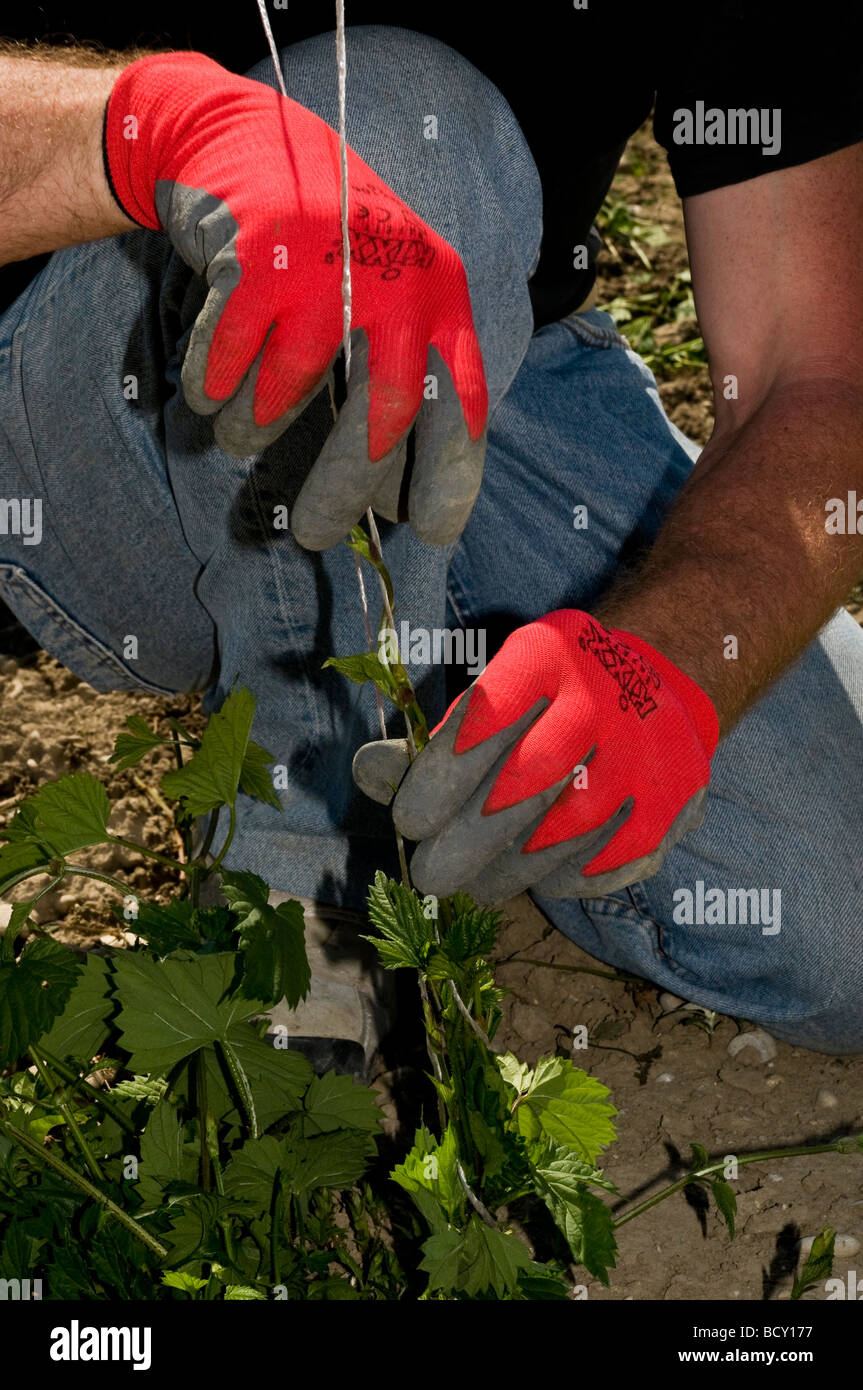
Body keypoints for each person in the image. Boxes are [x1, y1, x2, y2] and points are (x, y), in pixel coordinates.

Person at [1, 6, 862, 1077]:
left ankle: (430, 718)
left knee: (835, 904)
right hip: (91, 365)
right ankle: (303, 877)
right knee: (403, 116)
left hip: (481, 363)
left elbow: (811, 371)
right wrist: (151, 127)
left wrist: (677, 655)